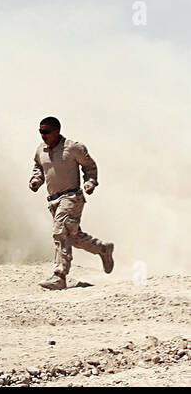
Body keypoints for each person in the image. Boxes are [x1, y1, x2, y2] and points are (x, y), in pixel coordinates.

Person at [29, 117, 114, 289]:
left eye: (46, 132)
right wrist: (36, 180)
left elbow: (90, 166)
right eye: (40, 132)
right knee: (72, 237)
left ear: (56, 131)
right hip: (53, 200)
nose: (43, 135)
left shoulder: (73, 147)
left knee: (60, 232)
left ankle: (59, 275)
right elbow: (38, 167)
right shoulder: (41, 150)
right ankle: (103, 249)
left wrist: (90, 182)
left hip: (71, 197)